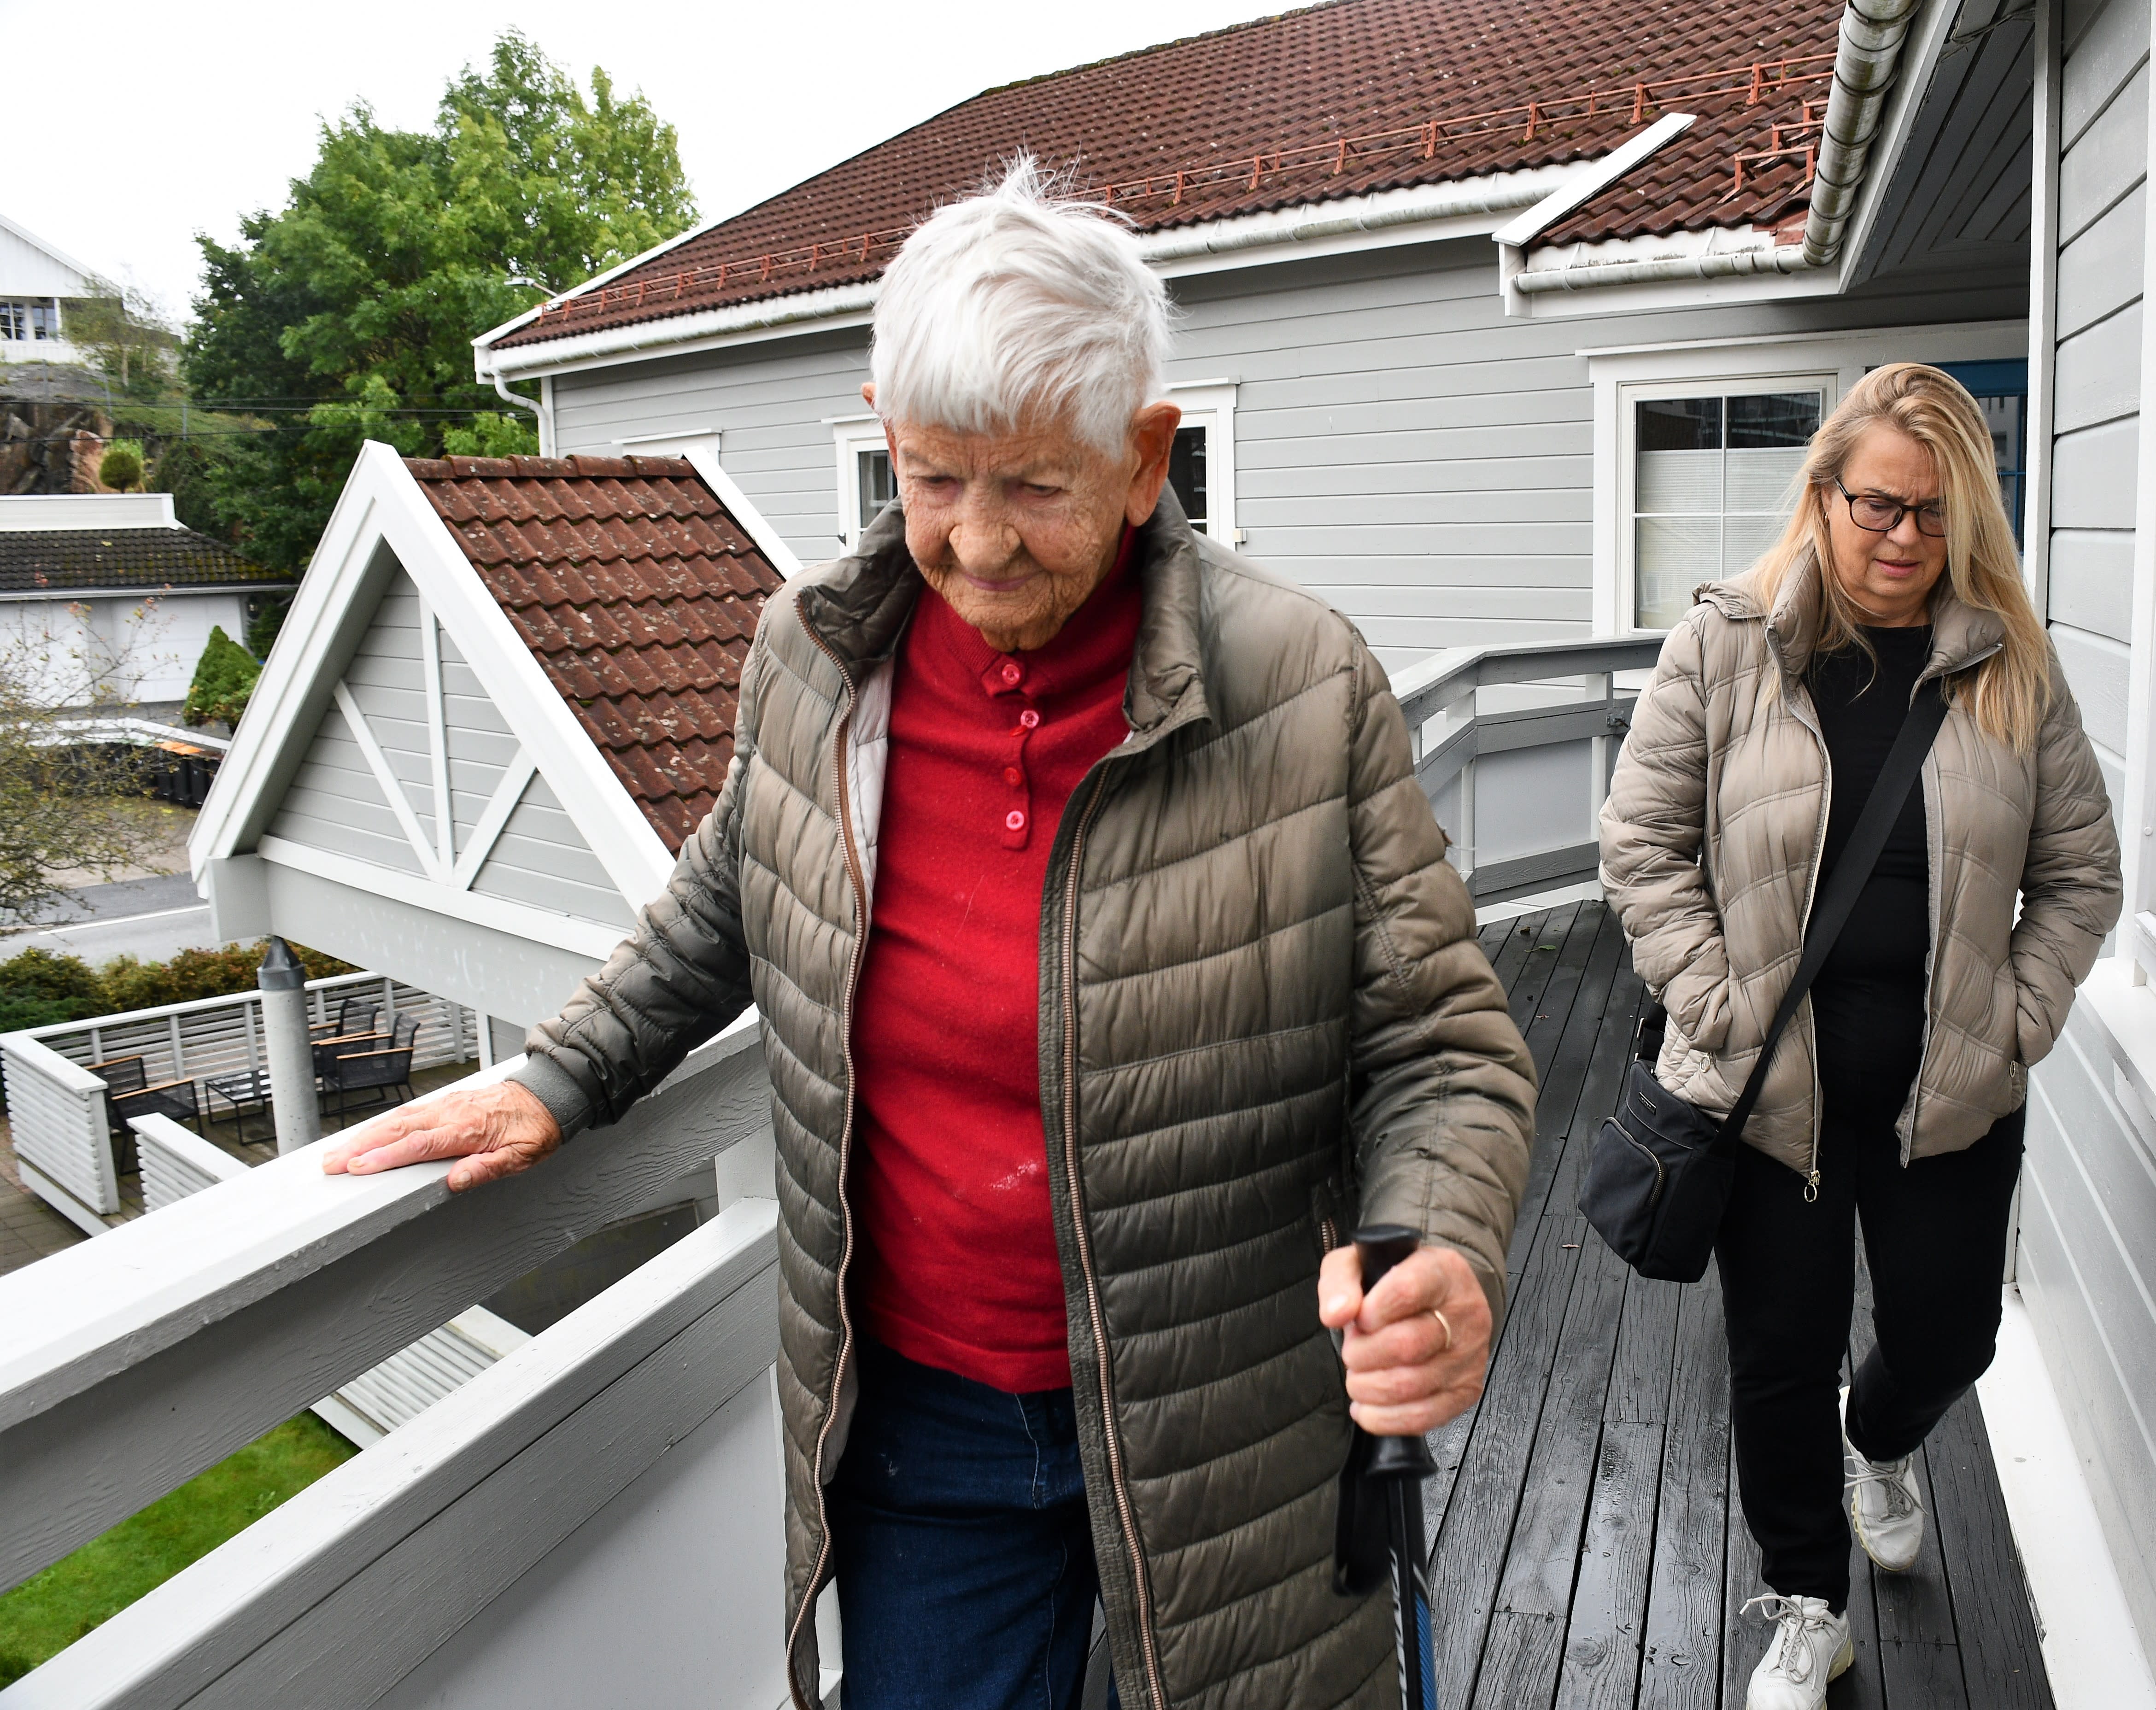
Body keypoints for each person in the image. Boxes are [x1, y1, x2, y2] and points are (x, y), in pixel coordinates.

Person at [323, 161, 1535, 1710]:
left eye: (1034, 486)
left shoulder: (1300, 682)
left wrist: (1436, 1241)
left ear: (1146, 457)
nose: (972, 544)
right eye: (931, 477)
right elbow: (734, 890)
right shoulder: (816, 653)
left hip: (1219, 1411)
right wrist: (563, 1073)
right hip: (923, 1420)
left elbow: (1440, 1044)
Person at [1597, 363, 2120, 1709]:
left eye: (1935, 515)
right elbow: (1643, 847)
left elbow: (2080, 878)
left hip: (1952, 1088)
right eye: (1878, 504)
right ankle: (1811, 1604)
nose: (1902, 539)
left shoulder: (2010, 669)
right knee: (1781, 1356)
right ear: (1822, 494)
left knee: (1949, 1338)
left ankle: (1880, 1442)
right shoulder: (1724, 646)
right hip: (1774, 1091)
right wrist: (1714, 1000)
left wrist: (2018, 1021)